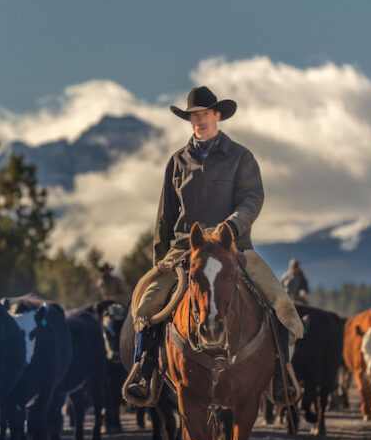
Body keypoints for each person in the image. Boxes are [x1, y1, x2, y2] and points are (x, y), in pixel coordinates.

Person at [123, 86, 304, 404]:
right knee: (146, 304)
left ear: (218, 115)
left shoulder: (241, 157)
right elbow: (165, 214)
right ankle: (144, 368)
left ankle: (280, 373)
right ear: (189, 120)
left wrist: (232, 227)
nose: (200, 121)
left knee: (281, 304)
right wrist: (160, 259)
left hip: (235, 249)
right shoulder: (177, 161)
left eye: (205, 114)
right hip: (184, 251)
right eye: (194, 116)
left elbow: (252, 198)